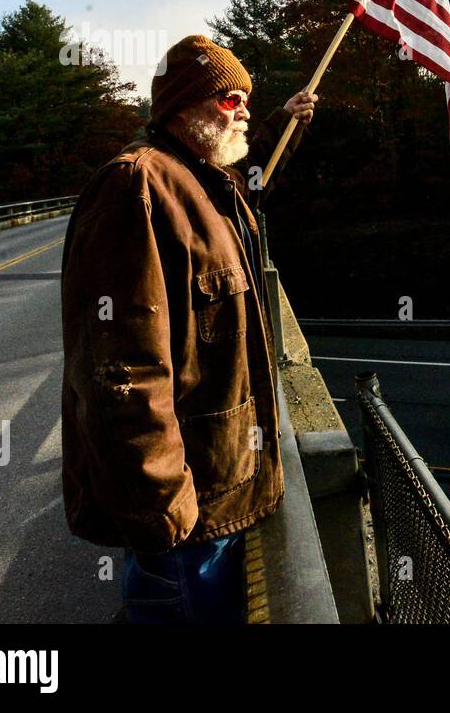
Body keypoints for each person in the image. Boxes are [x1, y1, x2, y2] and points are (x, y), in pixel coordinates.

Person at [59, 34, 317, 623]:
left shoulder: (201, 181)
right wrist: (167, 510)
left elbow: (251, 174)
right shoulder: (136, 187)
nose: (244, 109)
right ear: (184, 106)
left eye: (248, 99)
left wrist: (285, 123)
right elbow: (121, 372)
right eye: (230, 99)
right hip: (187, 519)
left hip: (218, 496)